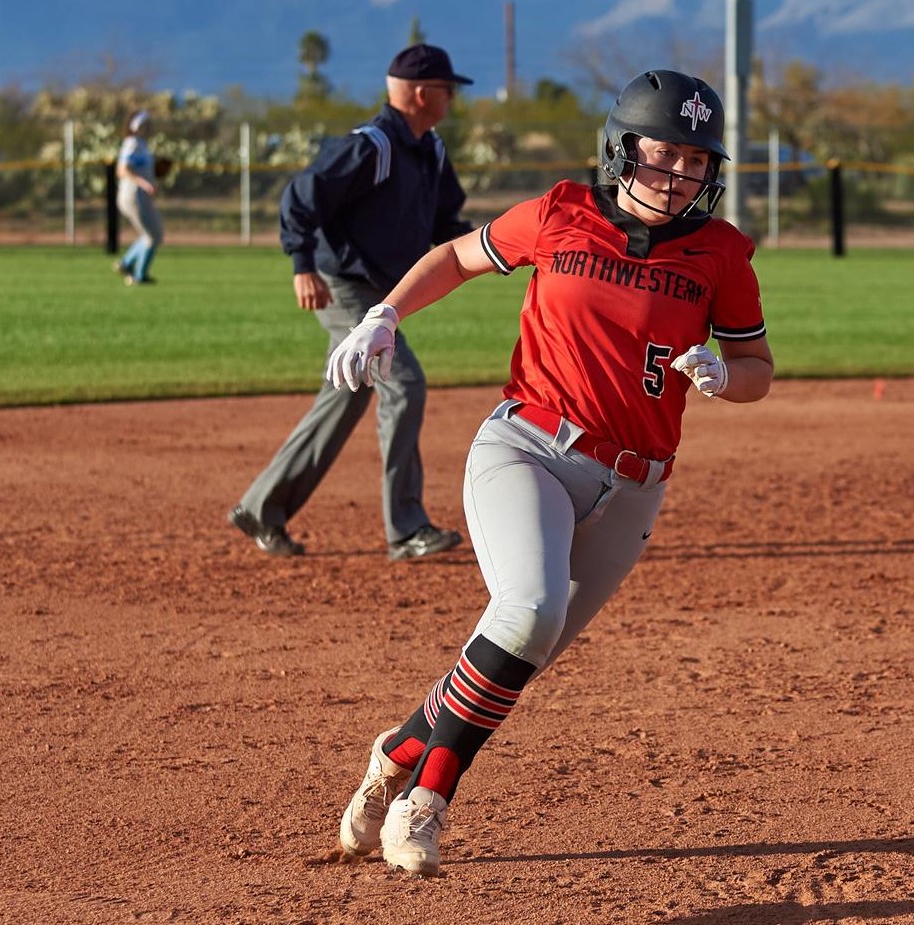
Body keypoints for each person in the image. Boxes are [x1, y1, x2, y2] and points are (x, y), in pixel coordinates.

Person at [323, 69, 773, 877]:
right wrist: (385, 311)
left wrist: (723, 375)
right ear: (622, 150)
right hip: (528, 448)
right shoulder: (562, 212)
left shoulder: (721, 254)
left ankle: (395, 749)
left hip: (636, 484)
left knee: (517, 651)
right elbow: (455, 258)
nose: (679, 176)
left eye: (696, 161)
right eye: (663, 154)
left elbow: (757, 367)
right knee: (525, 614)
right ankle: (424, 803)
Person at [227, 44, 475, 562]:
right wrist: (301, 264)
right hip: (341, 284)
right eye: (448, 89)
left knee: (348, 392)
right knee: (403, 384)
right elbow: (301, 197)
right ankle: (406, 529)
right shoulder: (373, 146)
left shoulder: (429, 149)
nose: (453, 98)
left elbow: (447, 224)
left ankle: (262, 506)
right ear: (420, 93)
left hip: (379, 293)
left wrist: (493, 246)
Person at [114, 111, 163, 286]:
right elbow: (122, 170)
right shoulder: (132, 143)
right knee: (153, 235)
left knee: (152, 234)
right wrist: (144, 183)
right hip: (133, 195)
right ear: (138, 126)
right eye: (147, 124)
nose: (150, 127)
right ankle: (138, 274)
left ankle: (127, 264)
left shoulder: (142, 144)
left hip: (140, 196)